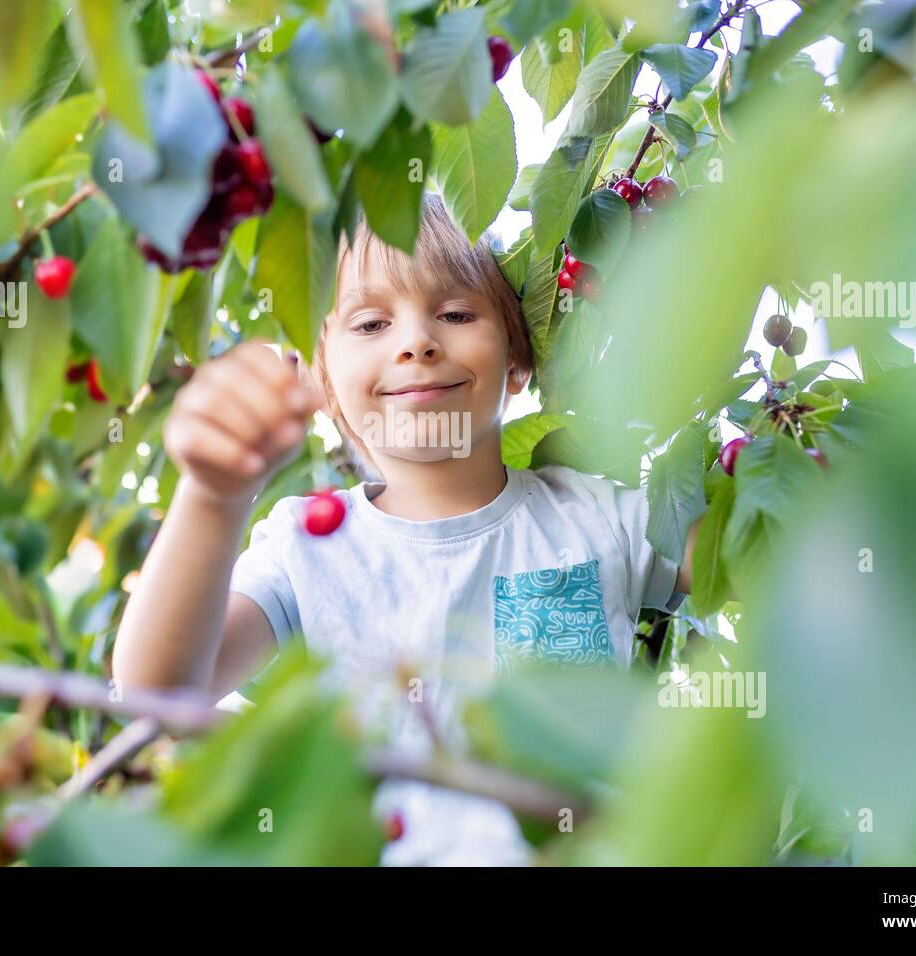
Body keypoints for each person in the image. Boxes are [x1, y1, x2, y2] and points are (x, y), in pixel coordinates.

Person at [113, 192, 701, 865]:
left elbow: (770, 556)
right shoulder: (307, 544)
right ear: (325, 380)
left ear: (516, 360)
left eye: (455, 313)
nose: (417, 342)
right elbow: (156, 693)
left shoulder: (601, 517)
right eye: (369, 324)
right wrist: (214, 498)